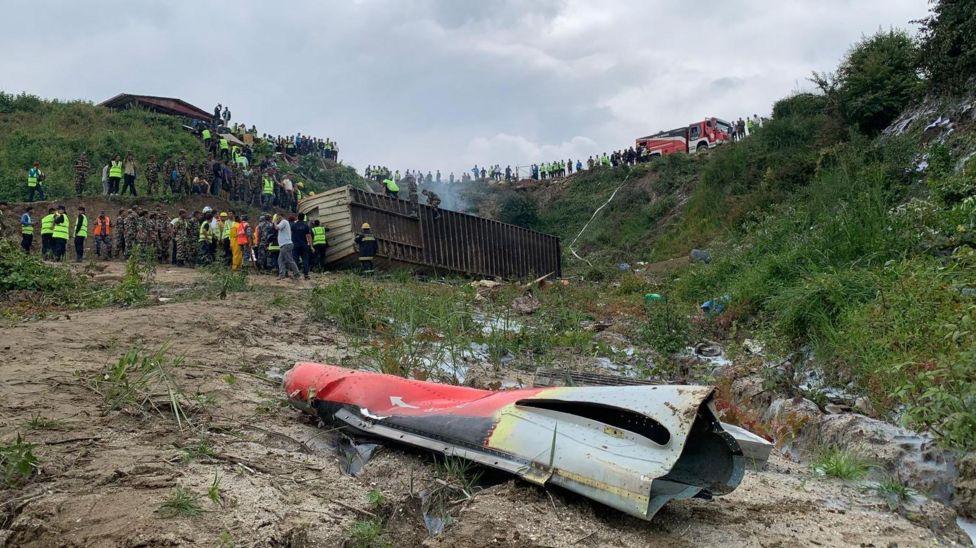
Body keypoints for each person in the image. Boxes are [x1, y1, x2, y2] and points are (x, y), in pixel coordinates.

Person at [275, 214, 301, 280]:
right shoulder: (284, 222)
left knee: (289, 260)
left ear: (280, 217)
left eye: (277, 217)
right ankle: (282, 275)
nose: (277, 219)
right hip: (284, 245)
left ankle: (297, 274)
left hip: (286, 244)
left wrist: (274, 222)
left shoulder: (283, 222)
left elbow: (277, 228)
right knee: (280, 260)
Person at [291, 214, 312, 280]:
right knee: (305, 260)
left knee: (295, 260)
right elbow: (308, 236)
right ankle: (306, 275)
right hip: (304, 245)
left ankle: (296, 274)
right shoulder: (306, 226)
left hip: (295, 245)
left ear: (297, 218)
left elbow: (291, 234)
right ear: (303, 218)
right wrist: (311, 245)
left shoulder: (293, 225)